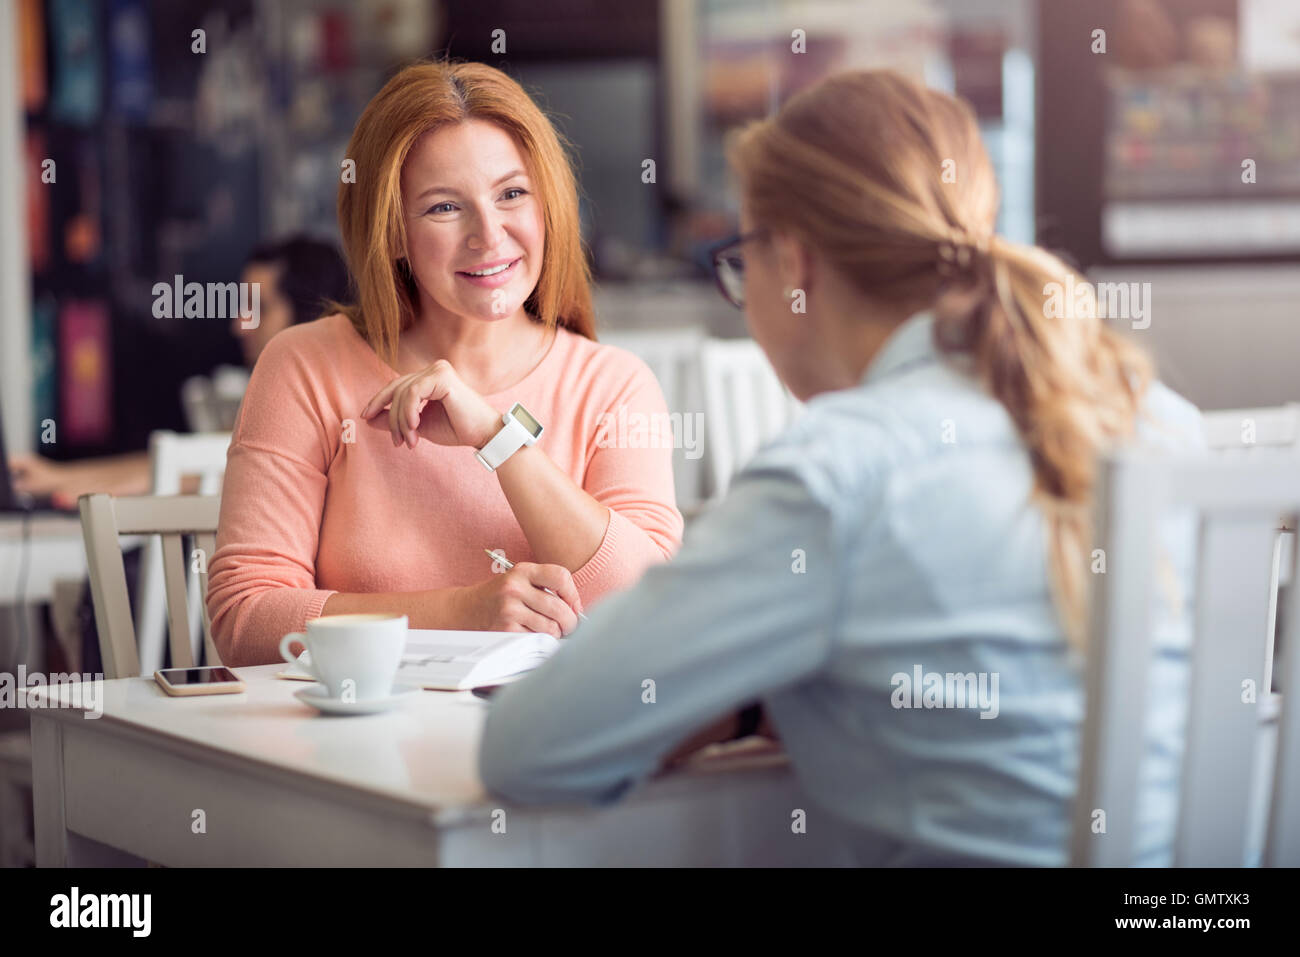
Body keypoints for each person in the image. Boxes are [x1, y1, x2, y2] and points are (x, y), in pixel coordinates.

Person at [477, 70, 1204, 866]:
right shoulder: (1159, 419)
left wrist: (750, 703)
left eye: (739, 257)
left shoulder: (837, 474)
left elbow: (527, 746)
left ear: (793, 262)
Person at [205, 61, 684, 666]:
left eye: (512, 194)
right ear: (394, 233)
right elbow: (246, 620)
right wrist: (462, 614)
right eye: (443, 208)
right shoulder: (305, 366)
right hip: (348, 750)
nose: (489, 235)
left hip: (537, 744)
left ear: (548, 207)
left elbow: (643, 609)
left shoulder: (614, 386)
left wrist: (497, 438)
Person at [7, 235, 349, 507]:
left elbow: (194, 469)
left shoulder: (327, 410)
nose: (240, 325)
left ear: (309, 317)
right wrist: (56, 476)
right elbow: (183, 463)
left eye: (259, 308)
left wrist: (60, 480)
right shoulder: (271, 395)